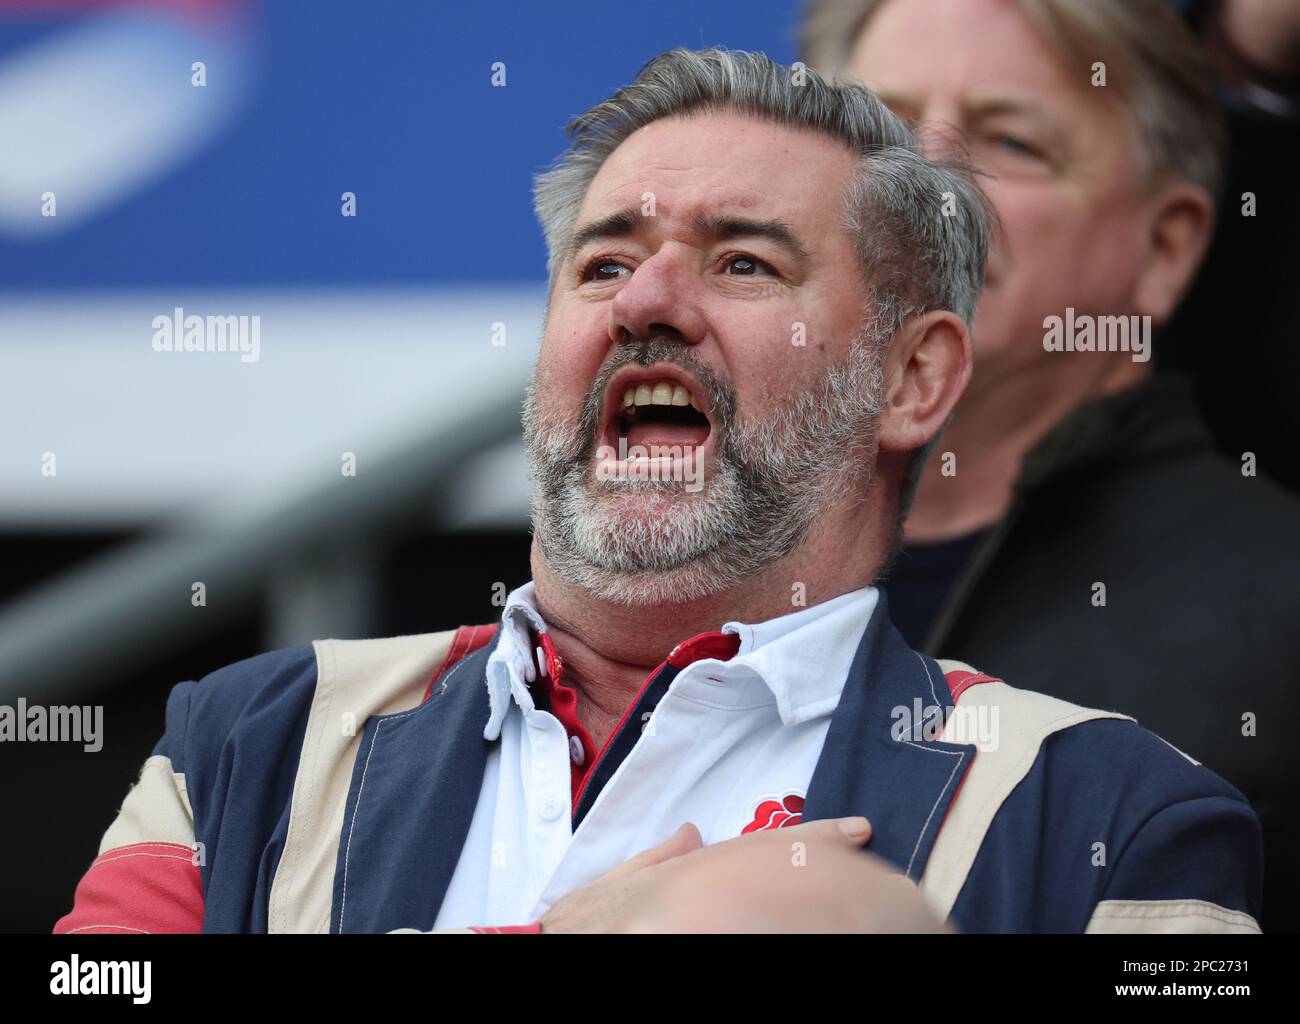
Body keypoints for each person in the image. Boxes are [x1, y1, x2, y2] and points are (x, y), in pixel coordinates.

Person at [54, 48, 1261, 935]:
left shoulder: (1112, 816)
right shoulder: (251, 736)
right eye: (606, 262)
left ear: (910, 378)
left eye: (743, 260)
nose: (647, 303)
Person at [801, 0, 1300, 931]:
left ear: (1166, 247)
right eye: (880, 130)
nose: (925, 186)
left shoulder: (1281, 614)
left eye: (1011, 143)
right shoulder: (690, 566)